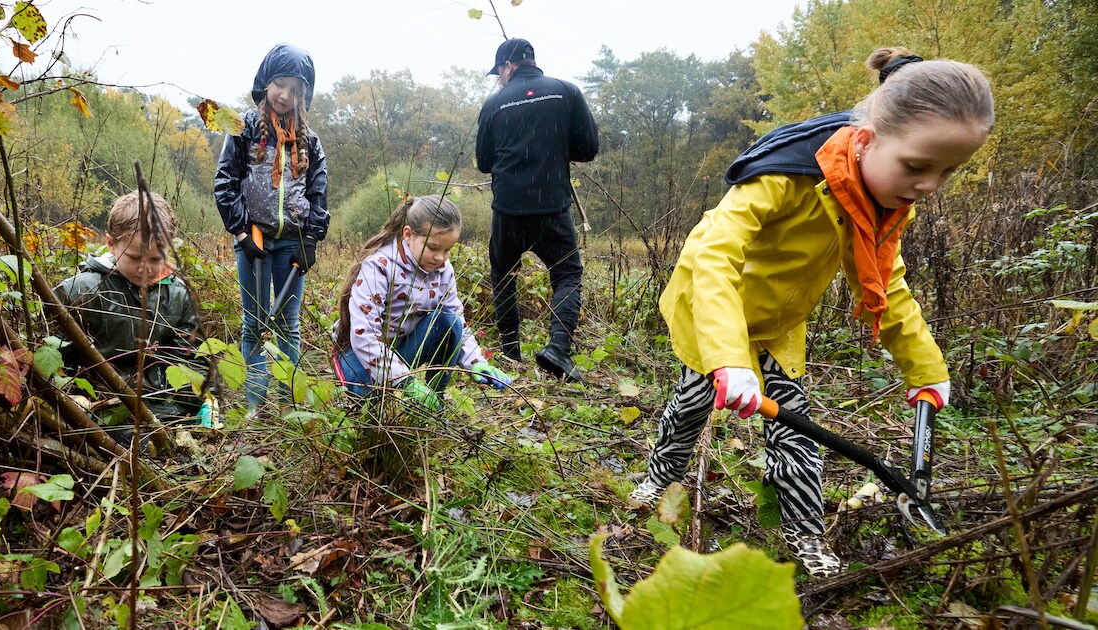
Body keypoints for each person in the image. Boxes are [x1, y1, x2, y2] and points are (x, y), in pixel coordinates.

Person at [628, 48, 994, 578]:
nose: (928, 186)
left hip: (780, 323)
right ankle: (661, 477)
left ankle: (806, 535)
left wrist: (926, 368)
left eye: (947, 171)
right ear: (867, 141)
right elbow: (714, 258)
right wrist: (729, 360)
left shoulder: (879, 203)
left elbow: (885, 281)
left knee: (794, 430)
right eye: (917, 166)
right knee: (691, 406)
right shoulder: (784, 175)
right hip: (712, 314)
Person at [475, 38, 599, 383]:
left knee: (503, 276)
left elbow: (485, 162)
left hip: (508, 210)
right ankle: (558, 349)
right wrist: (554, 146)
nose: (498, 78)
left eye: (498, 71)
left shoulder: (494, 103)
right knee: (566, 275)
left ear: (508, 66)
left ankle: (510, 353)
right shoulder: (566, 91)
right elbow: (589, 149)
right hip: (552, 208)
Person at [214, 44, 328, 418]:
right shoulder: (243, 128)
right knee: (254, 323)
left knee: (288, 326)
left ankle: (288, 403)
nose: (285, 95)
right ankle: (254, 406)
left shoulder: (310, 141)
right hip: (254, 241)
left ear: (304, 95)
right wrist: (242, 234)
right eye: (280, 84)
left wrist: (310, 239)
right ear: (266, 82)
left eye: (296, 89)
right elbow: (226, 182)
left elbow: (318, 193)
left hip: (293, 245)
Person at [332, 195, 512, 411]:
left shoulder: (443, 271)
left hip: (403, 349)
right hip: (360, 357)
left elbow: (457, 324)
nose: (440, 258)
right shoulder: (379, 267)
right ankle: (379, 393)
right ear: (408, 235)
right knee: (367, 408)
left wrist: (477, 363)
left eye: (447, 250)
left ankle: (434, 403)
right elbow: (364, 335)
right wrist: (405, 381)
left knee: (449, 322)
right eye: (433, 248)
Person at [55, 192, 204, 432]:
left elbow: (193, 358)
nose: (145, 268)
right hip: (98, 409)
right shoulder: (80, 291)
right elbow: (54, 361)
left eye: (156, 258)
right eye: (135, 258)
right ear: (111, 244)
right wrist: (71, 396)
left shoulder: (178, 294)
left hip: (162, 408)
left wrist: (203, 398)